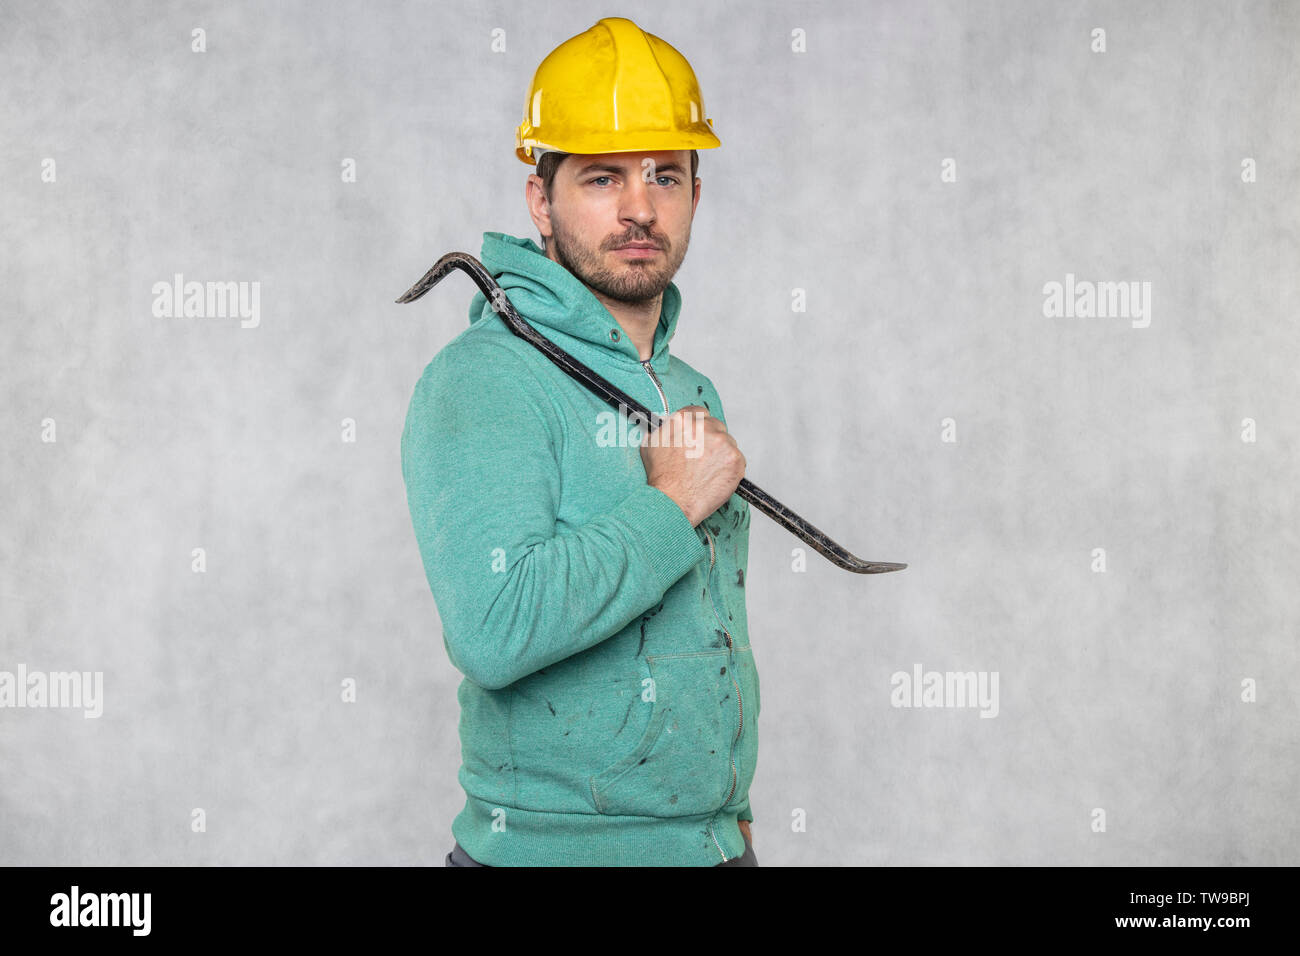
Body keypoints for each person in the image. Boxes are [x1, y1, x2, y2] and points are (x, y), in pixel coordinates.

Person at [401, 16, 760, 866]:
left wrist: (729, 809)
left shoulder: (689, 390)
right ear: (541, 200)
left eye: (666, 176)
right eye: (602, 178)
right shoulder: (486, 380)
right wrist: (670, 504)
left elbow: (712, 625)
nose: (640, 208)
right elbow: (494, 630)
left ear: (696, 197)